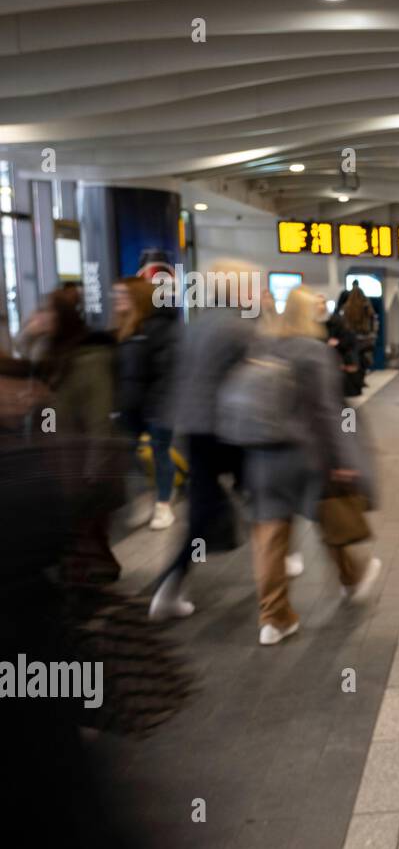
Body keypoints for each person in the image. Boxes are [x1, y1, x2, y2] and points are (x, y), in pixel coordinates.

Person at [244, 287, 382, 645]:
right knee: (330, 520)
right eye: (317, 307)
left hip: (264, 455)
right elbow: (326, 412)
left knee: (271, 538)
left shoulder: (263, 345)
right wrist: (341, 461)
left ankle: (273, 620)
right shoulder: (314, 352)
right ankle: (352, 579)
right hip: (306, 456)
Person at [149, 259, 261, 622]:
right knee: (263, 494)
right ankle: (280, 562)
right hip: (228, 430)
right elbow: (256, 383)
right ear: (237, 288)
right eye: (251, 285)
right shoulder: (239, 328)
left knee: (203, 507)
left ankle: (172, 583)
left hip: (193, 428)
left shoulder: (195, 324)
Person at [18, 287, 125, 585]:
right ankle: (85, 579)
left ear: (62, 317)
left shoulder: (91, 358)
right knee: (78, 536)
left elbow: (99, 419)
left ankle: (89, 585)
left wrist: (95, 470)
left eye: (47, 312)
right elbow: (22, 354)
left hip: (81, 461)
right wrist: (29, 331)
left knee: (84, 532)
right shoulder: (50, 351)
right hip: (56, 456)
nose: (40, 317)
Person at [113, 275, 180, 530]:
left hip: (158, 405)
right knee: (127, 454)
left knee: (159, 451)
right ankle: (145, 496)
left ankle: (163, 504)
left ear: (138, 297)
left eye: (123, 295)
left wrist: (157, 407)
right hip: (132, 405)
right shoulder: (125, 329)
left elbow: (167, 372)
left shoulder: (159, 327)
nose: (117, 300)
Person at [340, 285, 377, 387]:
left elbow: (344, 322)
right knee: (364, 360)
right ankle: (362, 379)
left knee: (355, 360)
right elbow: (373, 317)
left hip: (352, 338)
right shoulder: (366, 305)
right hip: (365, 337)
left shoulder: (346, 307)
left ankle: (356, 381)